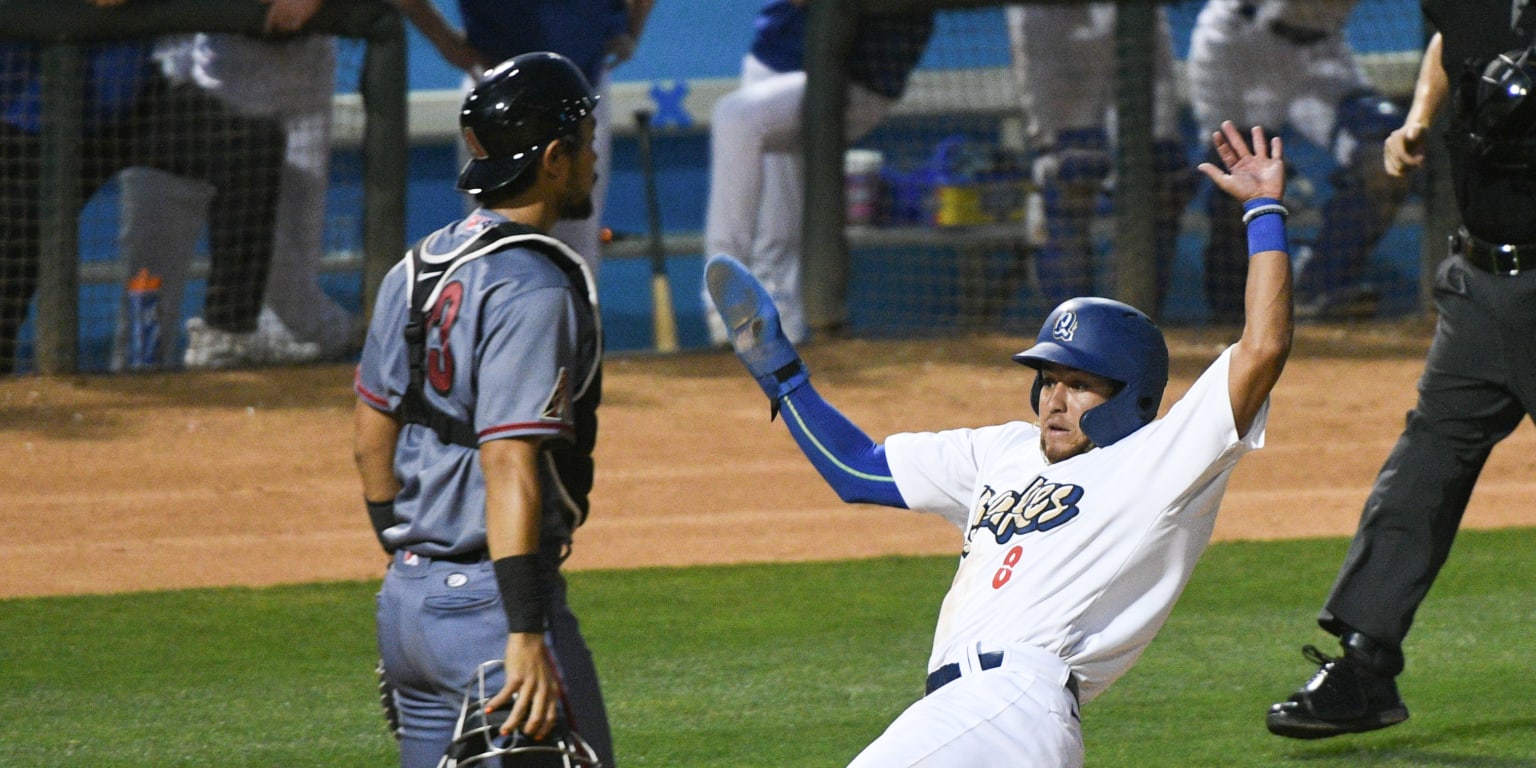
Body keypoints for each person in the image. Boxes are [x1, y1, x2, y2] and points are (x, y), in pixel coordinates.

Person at [705, 119, 1293, 767]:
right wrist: (784, 376)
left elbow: (1262, 349)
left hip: (1009, 704)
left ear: (1130, 396)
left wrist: (1263, 211)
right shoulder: (1001, 452)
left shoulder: (1162, 461)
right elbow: (858, 471)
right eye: (1048, 380)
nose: (1055, 400)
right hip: (989, 720)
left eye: (1080, 384)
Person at [1266, 2, 1536, 740]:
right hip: (1477, 289)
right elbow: (1457, 37)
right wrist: (1418, 118)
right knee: (1423, 470)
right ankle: (1364, 666)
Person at [352, 53, 613, 768]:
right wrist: (523, 631)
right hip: (492, 620)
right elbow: (507, 459)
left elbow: (371, 431)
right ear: (554, 159)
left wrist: (408, 560)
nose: (594, 159)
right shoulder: (533, 288)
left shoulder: (417, 266)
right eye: (587, 142)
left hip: (407, 606)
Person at [0, 2, 284, 374]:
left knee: (248, 146)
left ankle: (227, 332)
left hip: (129, 106)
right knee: (10, 277)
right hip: (29, 127)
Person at [111, 0, 355, 369]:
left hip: (296, 76)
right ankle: (142, 365)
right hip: (177, 93)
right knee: (150, 273)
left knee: (280, 254)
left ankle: (236, 339)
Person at [699, 1, 935, 346]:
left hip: (859, 75)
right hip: (775, 59)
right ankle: (759, 328)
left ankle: (731, 301)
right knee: (777, 231)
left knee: (736, 119)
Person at [398, 0, 655, 285]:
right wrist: (443, 39)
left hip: (582, 83)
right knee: (497, 249)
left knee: (573, 253)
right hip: (499, 96)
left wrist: (631, 27)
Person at [1187, 0, 1411, 322]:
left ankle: (1318, 284)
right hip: (1240, 44)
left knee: (1387, 155)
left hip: (1321, 51)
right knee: (1238, 175)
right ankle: (1236, 320)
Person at [1004, 4, 1196, 313]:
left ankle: (1133, 320)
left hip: (1130, 15)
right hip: (1053, 19)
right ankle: (1071, 326)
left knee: (1164, 175)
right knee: (1068, 172)